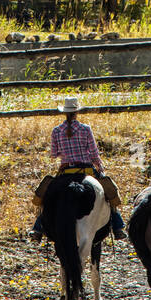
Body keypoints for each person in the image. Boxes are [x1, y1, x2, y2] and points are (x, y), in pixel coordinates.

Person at [29, 96, 126, 241]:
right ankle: (118, 227)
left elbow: (54, 155)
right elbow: (94, 153)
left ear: (64, 113)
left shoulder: (56, 131)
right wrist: (100, 167)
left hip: (66, 171)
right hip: (86, 170)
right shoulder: (85, 129)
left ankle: (38, 229)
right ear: (77, 112)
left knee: (47, 198)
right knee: (108, 194)